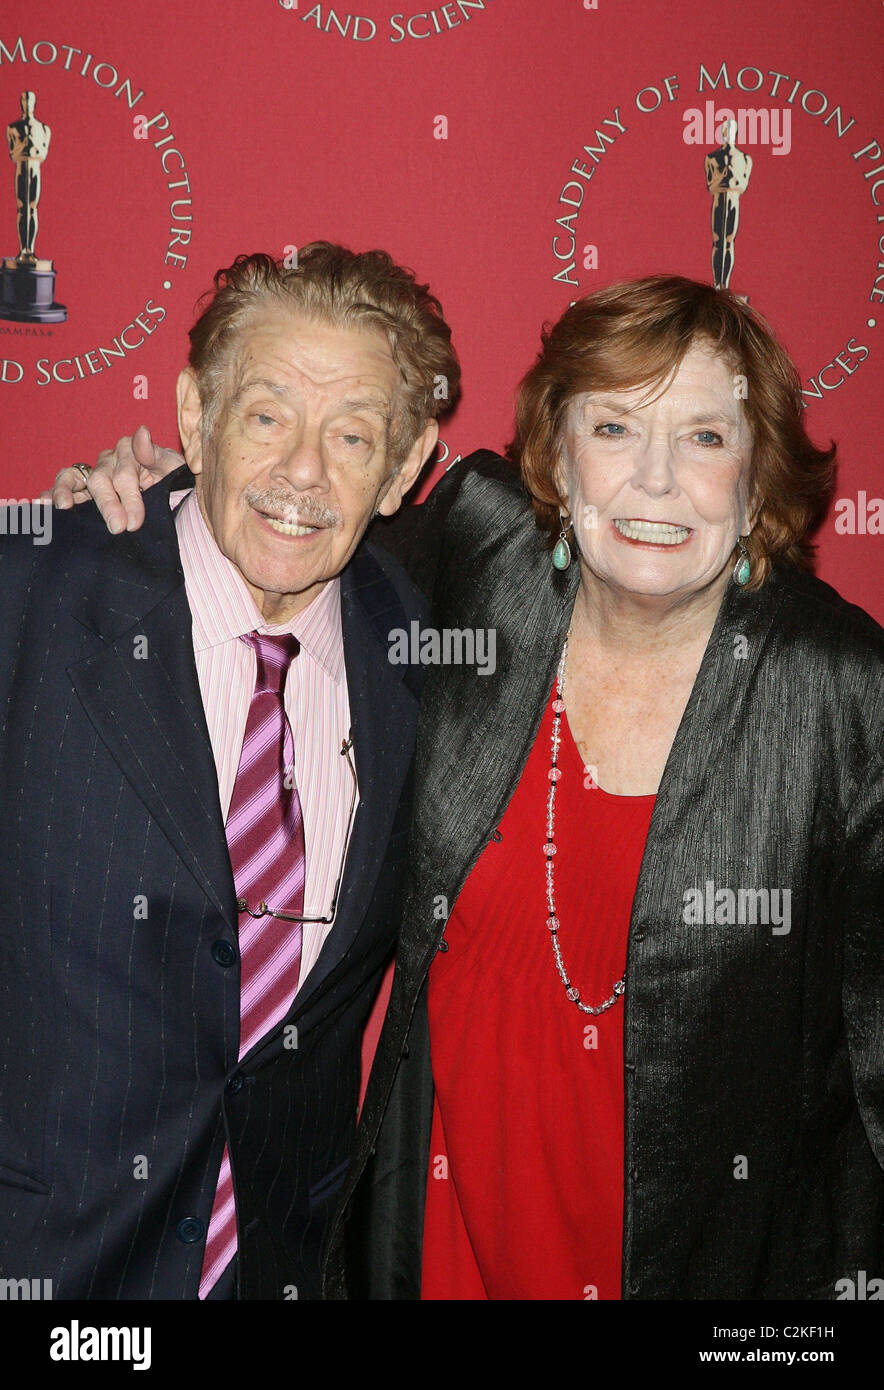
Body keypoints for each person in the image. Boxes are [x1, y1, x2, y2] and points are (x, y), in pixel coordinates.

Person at [51, 275, 883, 1300]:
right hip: (437, 1254)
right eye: (614, 426)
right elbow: (300, 507)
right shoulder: (477, 559)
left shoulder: (838, 687)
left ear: (756, 480)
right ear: (556, 455)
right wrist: (165, 484)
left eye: (705, 439)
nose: (655, 480)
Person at [2, 241, 457, 1300]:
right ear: (194, 414)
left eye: (351, 435)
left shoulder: (430, 662)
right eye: (265, 416)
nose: (302, 472)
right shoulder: (32, 596)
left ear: (402, 466)